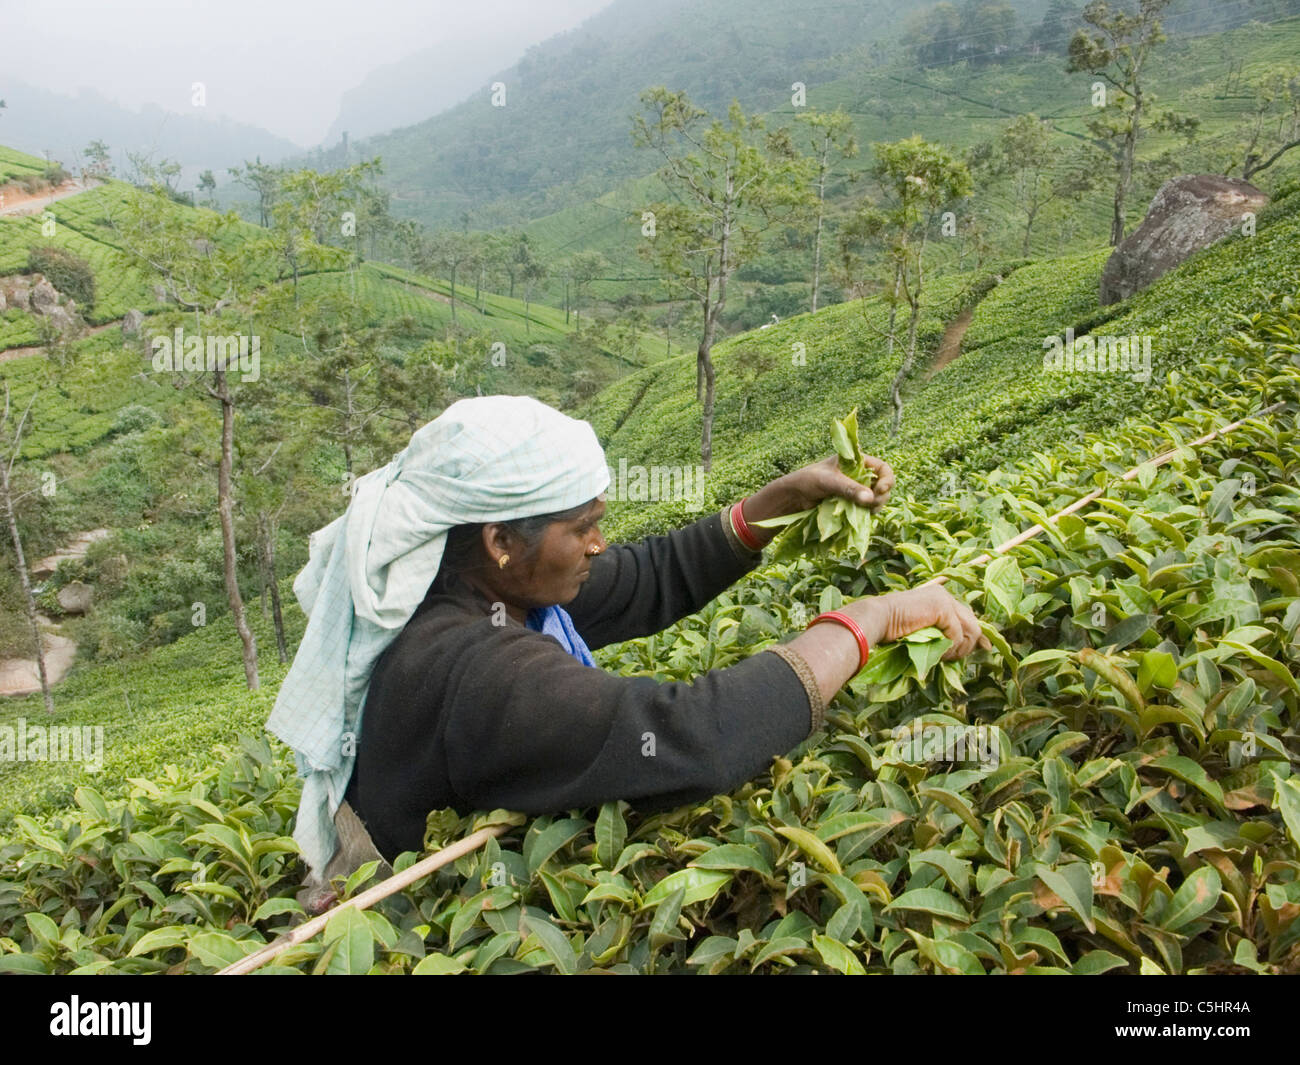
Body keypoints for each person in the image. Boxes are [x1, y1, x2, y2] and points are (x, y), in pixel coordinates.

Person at [268, 395, 987, 908]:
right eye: (582, 527)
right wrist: (873, 618)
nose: (598, 545)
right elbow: (694, 735)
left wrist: (786, 497)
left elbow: (649, 578)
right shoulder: (472, 667)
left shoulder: (479, 579)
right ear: (501, 540)